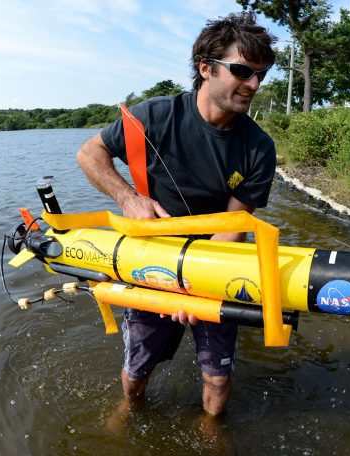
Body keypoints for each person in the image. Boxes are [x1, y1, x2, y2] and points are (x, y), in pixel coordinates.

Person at [76, 12, 277, 418]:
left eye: (261, 74)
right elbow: (89, 153)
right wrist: (128, 198)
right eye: (242, 71)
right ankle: (127, 409)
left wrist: (192, 288)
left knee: (217, 378)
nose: (253, 85)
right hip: (147, 262)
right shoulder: (155, 117)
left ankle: (211, 433)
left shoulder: (259, 149)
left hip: (216, 267)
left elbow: (231, 231)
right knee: (137, 369)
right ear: (206, 68)